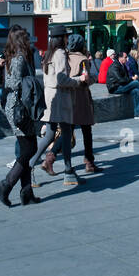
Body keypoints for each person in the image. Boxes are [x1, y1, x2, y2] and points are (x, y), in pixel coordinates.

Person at [30, 26, 91, 185]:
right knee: (65, 133)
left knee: (51, 135)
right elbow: (62, 79)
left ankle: (30, 166)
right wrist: (79, 80)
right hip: (61, 99)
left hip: (50, 97)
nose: (67, 39)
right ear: (61, 38)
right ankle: (68, 172)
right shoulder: (61, 54)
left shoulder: (49, 54)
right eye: (65, 36)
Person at [0, 25, 42, 207]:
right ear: (21, 40)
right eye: (26, 38)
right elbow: (14, 83)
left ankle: (27, 193)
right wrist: (31, 83)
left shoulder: (11, 55)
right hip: (19, 107)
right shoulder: (20, 58)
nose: (29, 41)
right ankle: (5, 186)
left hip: (16, 106)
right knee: (28, 149)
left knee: (28, 147)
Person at [68, 33, 100, 175]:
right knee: (86, 130)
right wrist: (94, 78)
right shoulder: (82, 60)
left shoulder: (65, 57)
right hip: (81, 97)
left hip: (68, 97)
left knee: (67, 130)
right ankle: (89, 161)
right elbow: (86, 79)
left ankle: (51, 158)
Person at [107, 49, 139, 119]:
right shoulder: (115, 66)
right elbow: (120, 80)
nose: (127, 59)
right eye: (125, 57)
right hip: (115, 87)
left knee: (135, 90)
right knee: (135, 83)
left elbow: (126, 78)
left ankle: (137, 113)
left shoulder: (122, 65)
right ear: (120, 58)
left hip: (121, 85)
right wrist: (131, 79)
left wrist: (131, 79)